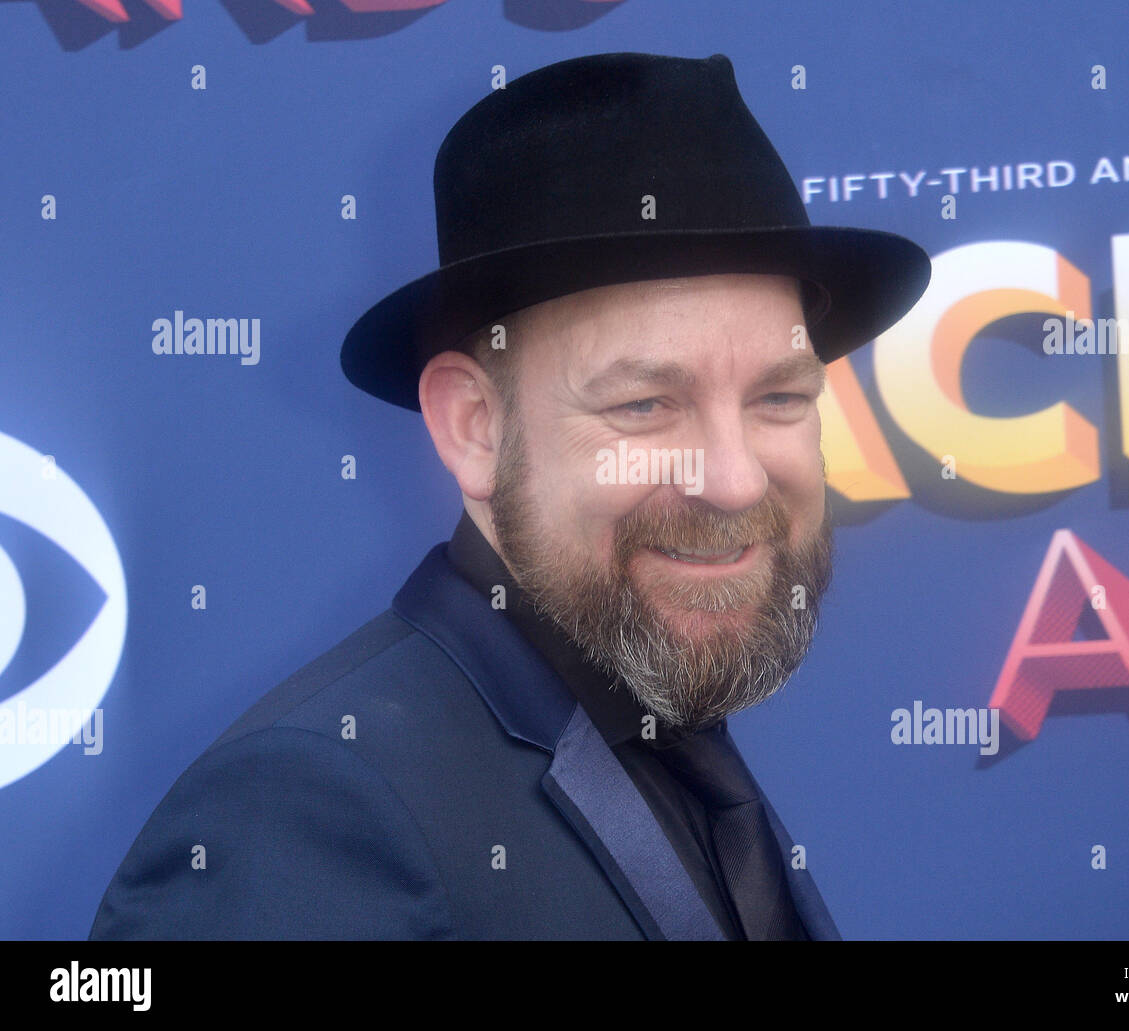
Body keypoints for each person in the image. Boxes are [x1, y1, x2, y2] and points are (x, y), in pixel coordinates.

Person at [89, 51, 929, 940]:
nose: (732, 478)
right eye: (645, 404)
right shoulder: (300, 816)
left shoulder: (664, 717)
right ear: (474, 426)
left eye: (779, 398)